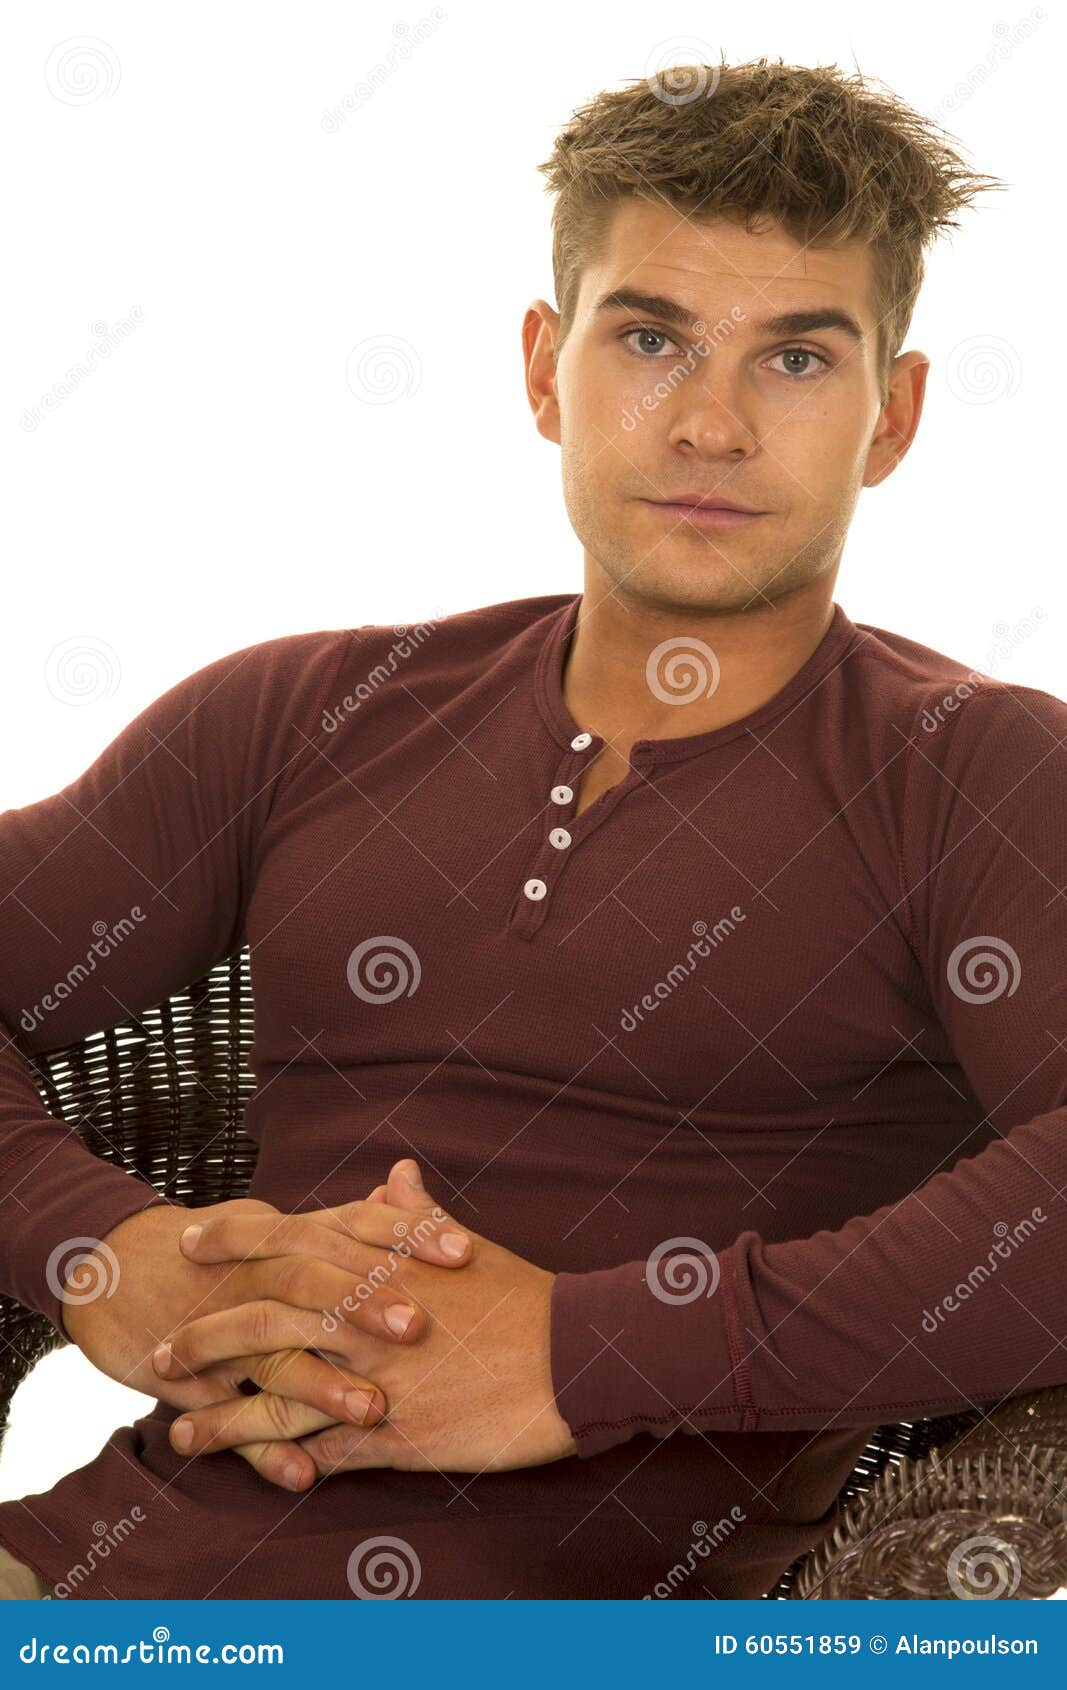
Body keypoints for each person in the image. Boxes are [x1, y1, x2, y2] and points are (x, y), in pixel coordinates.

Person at [1, 56, 1062, 1601]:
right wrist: (98, 1245)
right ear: (542, 368)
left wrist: (578, 1355)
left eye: (796, 360)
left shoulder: (976, 773)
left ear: (891, 416)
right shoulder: (303, 712)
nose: (708, 424)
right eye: (650, 339)